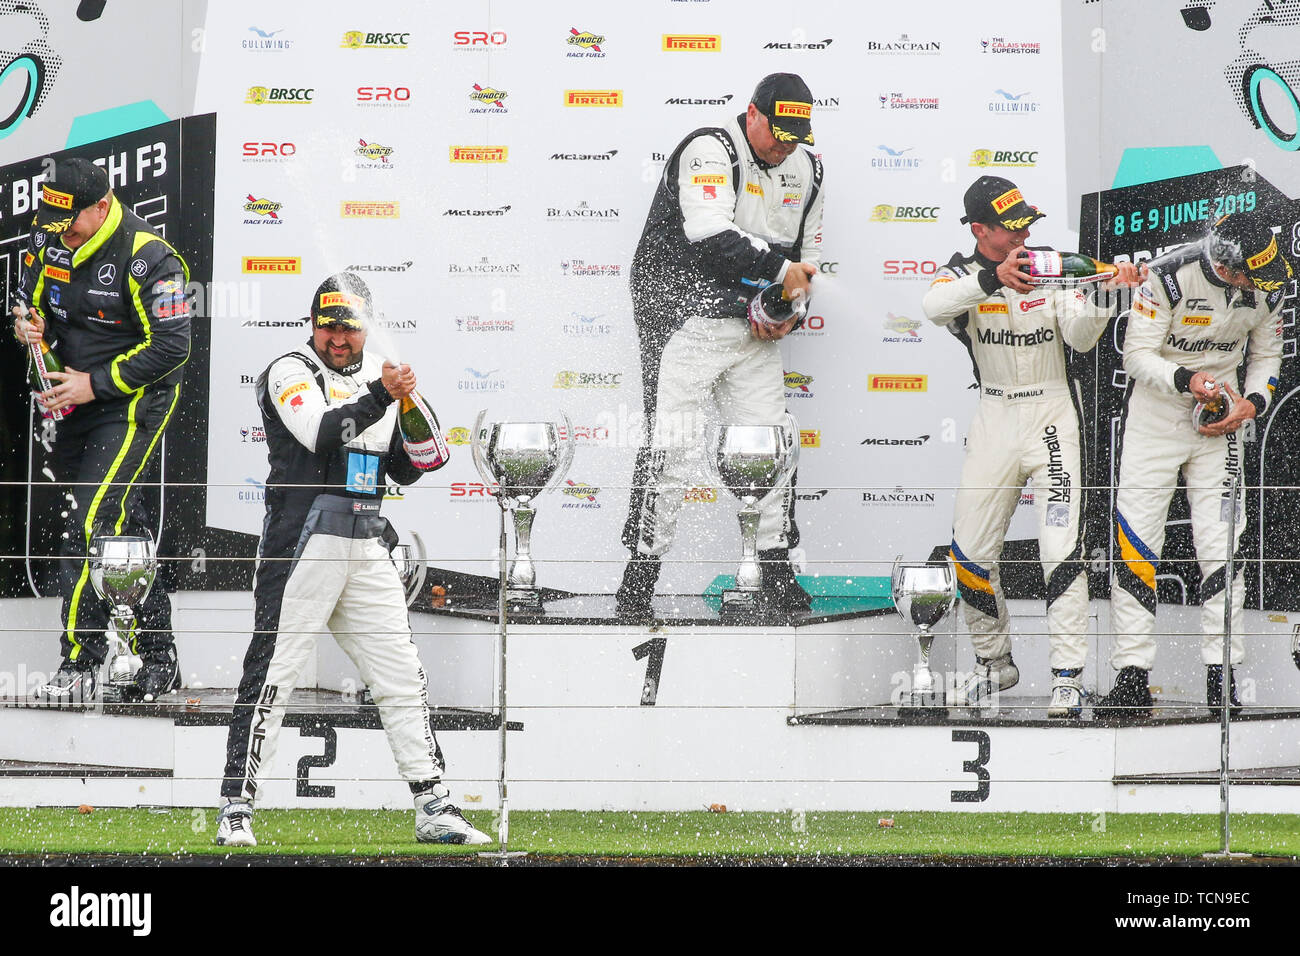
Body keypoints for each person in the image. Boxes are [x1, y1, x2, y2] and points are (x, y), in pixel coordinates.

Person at [215, 273, 489, 847]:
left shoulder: (380, 381)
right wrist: (385, 396)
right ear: (311, 324)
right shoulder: (290, 371)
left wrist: (410, 401)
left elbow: (420, 462)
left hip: (367, 544)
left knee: (402, 678)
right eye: (328, 325)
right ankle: (236, 808)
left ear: (366, 327)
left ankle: (433, 806)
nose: (338, 337)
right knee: (272, 676)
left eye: (349, 327)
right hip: (300, 546)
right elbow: (321, 435)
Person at [922, 176, 1140, 715]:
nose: (1022, 233)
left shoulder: (1051, 266)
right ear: (979, 230)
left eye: (1026, 223)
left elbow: (1082, 337)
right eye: (1010, 226)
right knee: (969, 553)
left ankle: (1067, 677)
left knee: (1059, 550)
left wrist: (1110, 295)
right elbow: (933, 306)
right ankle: (994, 664)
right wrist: (991, 281)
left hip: (1051, 417)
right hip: (994, 414)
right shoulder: (960, 272)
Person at [616, 72, 825, 620]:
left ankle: (775, 567)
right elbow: (708, 235)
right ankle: (640, 575)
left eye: (794, 136)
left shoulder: (810, 169)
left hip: (748, 330)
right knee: (672, 447)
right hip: (682, 322)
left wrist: (786, 310)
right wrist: (782, 275)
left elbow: (807, 261)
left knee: (769, 444)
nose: (783, 145)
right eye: (776, 132)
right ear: (751, 114)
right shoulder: (710, 148)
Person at [1097, 213, 1289, 720]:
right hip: (1157, 417)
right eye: (1252, 276)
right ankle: (1132, 675)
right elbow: (1136, 356)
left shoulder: (1270, 284)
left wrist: (1252, 403)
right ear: (1225, 266)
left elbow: (1268, 356)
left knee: (1222, 542)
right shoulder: (1167, 273)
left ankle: (1221, 675)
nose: (1260, 286)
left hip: (1221, 422)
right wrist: (1187, 380)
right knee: (1137, 540)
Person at [12, 157, 190, 704]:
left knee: (89, 521)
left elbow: (173, 347)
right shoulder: (50, 237)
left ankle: (80, 657)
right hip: (71, 399)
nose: (60, 231)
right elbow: (31, 304)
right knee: (119, 527)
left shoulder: (153, 259)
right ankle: (157, 657)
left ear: (103, 205)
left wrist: (96, 384)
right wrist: (29, 328)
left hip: (132, 402)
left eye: (70, 221)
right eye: (53, 219)